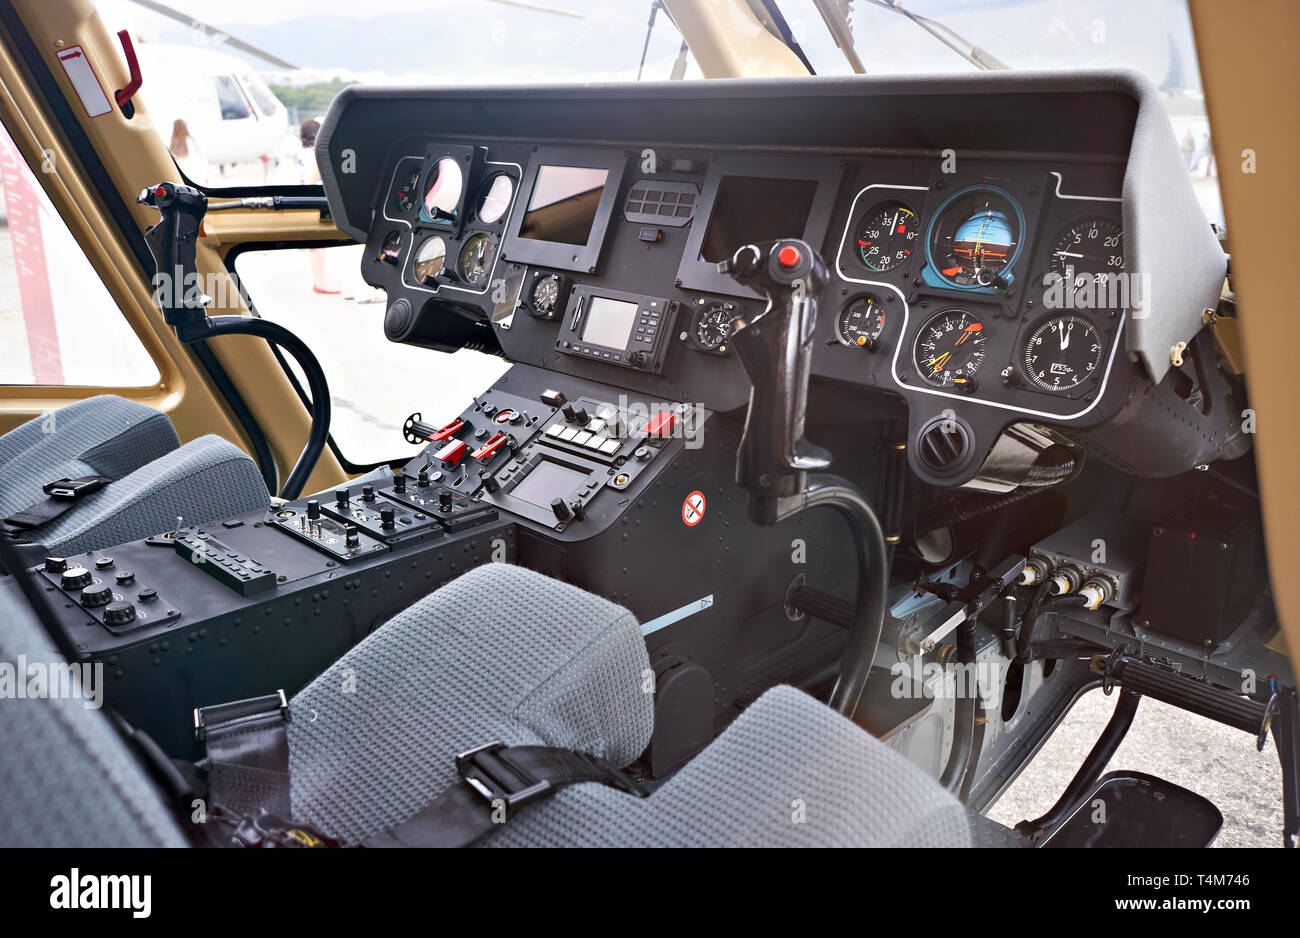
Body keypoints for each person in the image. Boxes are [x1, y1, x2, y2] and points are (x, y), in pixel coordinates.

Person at [298, 118, 338, 295]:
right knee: (321, 241)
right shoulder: (317, 153)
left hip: (306, 200)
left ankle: (319, 281)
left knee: (315, 244)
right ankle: (321, 281)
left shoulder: (300, 154)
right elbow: (313, 179)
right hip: (319, 198)